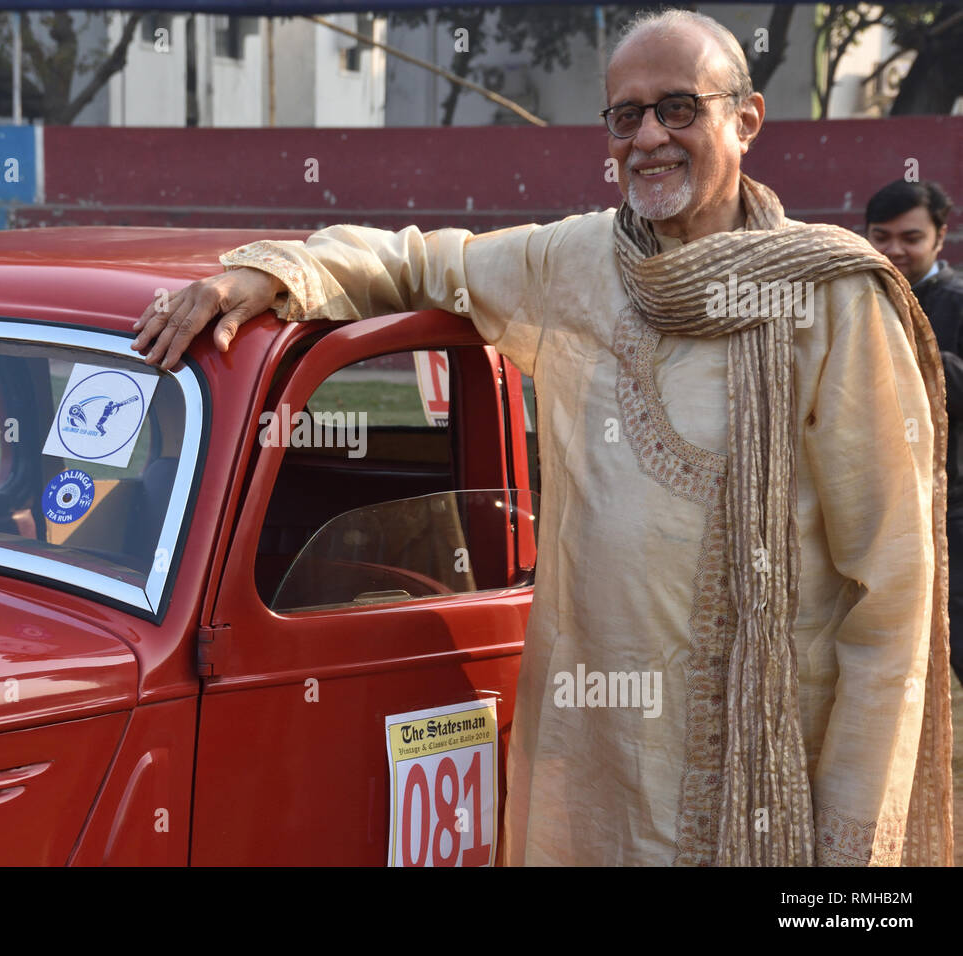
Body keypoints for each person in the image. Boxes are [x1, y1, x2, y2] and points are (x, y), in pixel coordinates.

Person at [133, 10, 955, 866]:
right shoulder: (576, 261)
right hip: (597, 761)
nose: (648, 138)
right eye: (625, 115)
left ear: (745, 121)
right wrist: (265, 272)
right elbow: (418, 262)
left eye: (678, 108)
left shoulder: (830, 298)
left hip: (767, 772)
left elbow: (891, 583)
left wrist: (853, 839)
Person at [867, 181, 963, 682]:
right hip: (883, 502)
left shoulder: (956, 300)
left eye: (911, 237)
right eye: (881, 237)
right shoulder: (860, 298)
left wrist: (910, 359)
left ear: (940, 238)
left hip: (952, 504)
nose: (894, 250)